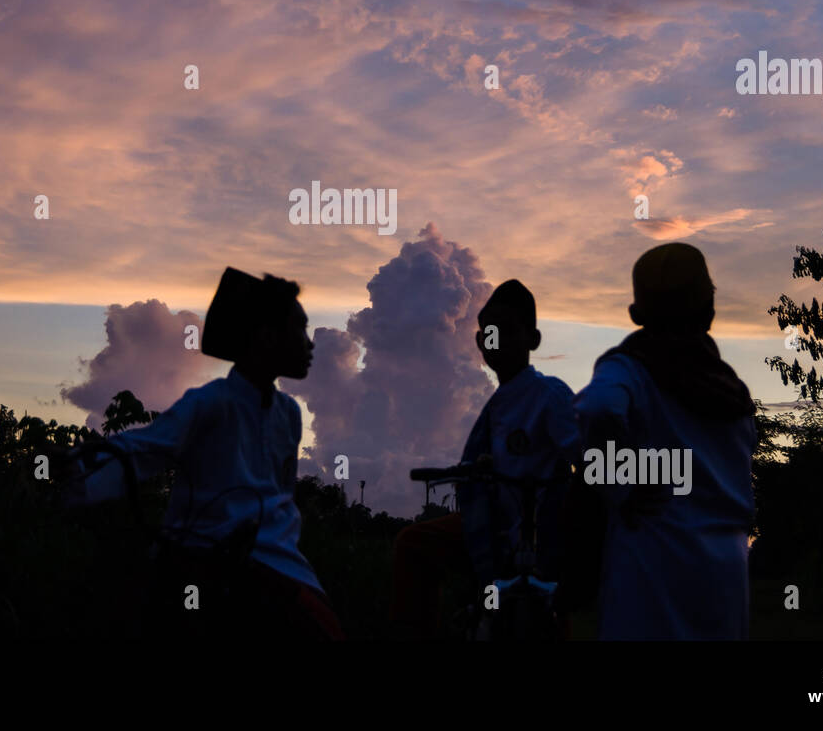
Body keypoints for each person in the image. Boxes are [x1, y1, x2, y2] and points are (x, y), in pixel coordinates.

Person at [67, 267, 343, 640]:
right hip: (210, 559)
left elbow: (281, 499)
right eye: (299, 329)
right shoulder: (212, 403)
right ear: (265, 337)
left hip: (279, 567)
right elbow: (142, 449)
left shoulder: (289, 415)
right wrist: (72, 471)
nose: (309, 344)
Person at [574, 242, 757, 640]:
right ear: (708, 308)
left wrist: (618, 483)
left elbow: (597, 410)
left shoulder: (630, 368)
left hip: (656, 563)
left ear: (636, 314)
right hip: (726, 570)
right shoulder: (730, 388)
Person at [390, 280, 582, 639]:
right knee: (413, 544)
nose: (495, 341)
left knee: (550, 600)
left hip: (537, 529)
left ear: (533, 340)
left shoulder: (549, 395)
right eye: (487, 334)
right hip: (492, 523)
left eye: (507, 331)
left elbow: (584, 456)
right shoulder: (497, 405)